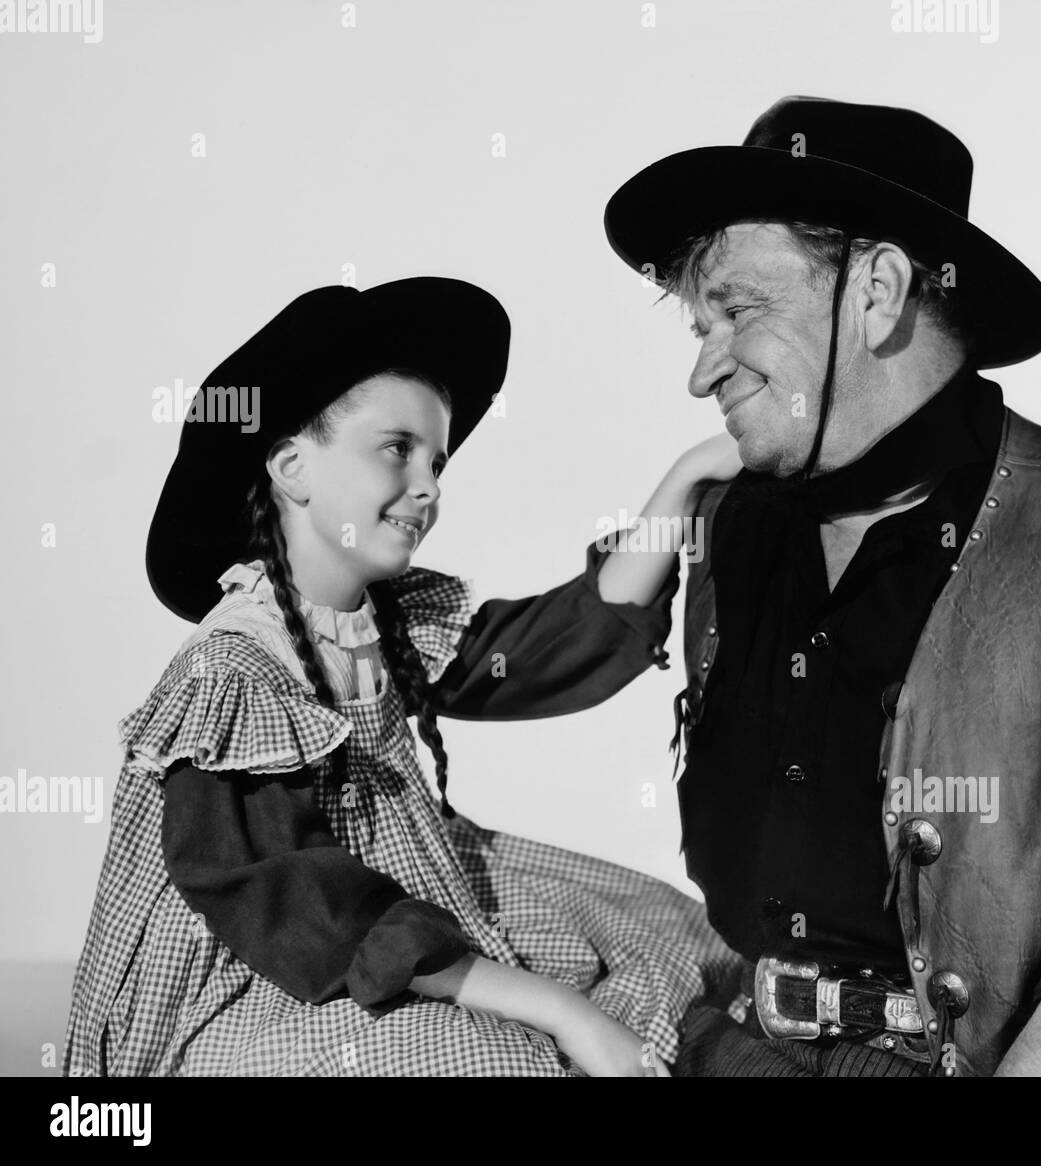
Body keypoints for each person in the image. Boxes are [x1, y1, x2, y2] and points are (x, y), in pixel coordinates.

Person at [602, 97, 1041, 1076]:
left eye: (738, 308)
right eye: (697, 325)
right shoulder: (736, 524)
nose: (702, 369)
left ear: (877, 289)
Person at [62, 276, 744, 1077]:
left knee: (674, 943)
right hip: (274, 970)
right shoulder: (234, 671)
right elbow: (297, 907)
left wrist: (688, 476)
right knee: (512, 1062)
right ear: (290, 465)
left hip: (404, 909)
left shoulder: (389, 627)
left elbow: (555, 644)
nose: (428, 487)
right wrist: (558, 1008)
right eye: (397, 449)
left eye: (437, 461)